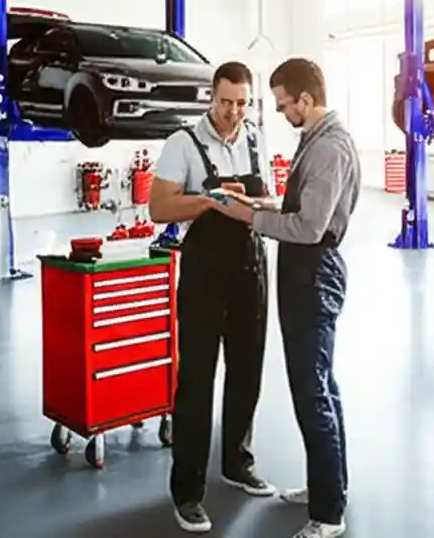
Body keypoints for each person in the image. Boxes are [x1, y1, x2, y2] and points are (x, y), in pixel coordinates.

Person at [211, 57, 360, 538]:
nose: (280, 113)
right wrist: (256, 201)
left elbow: (308, 226)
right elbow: (297, 207)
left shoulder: (328, 149)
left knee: (311, 392)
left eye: (283, 105)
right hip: (305, 270)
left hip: (313, 272)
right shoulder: (315, 141)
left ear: (306, 100)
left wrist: (248, 219)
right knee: (320, 384)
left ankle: (329, 516)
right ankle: (328, 488)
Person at [148, 60, 277, 534]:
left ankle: (238, 463)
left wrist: (258, 204)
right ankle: (187, 492)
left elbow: (273, 196)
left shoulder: (256, 138)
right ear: (211, 96)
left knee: (247, 371)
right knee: (197, 381)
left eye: (242, 103)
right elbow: (159, 207)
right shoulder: (183, 143)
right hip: (204, 272)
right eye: (226, 102)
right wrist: (208, 199)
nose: (233, 112)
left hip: (251, 267)